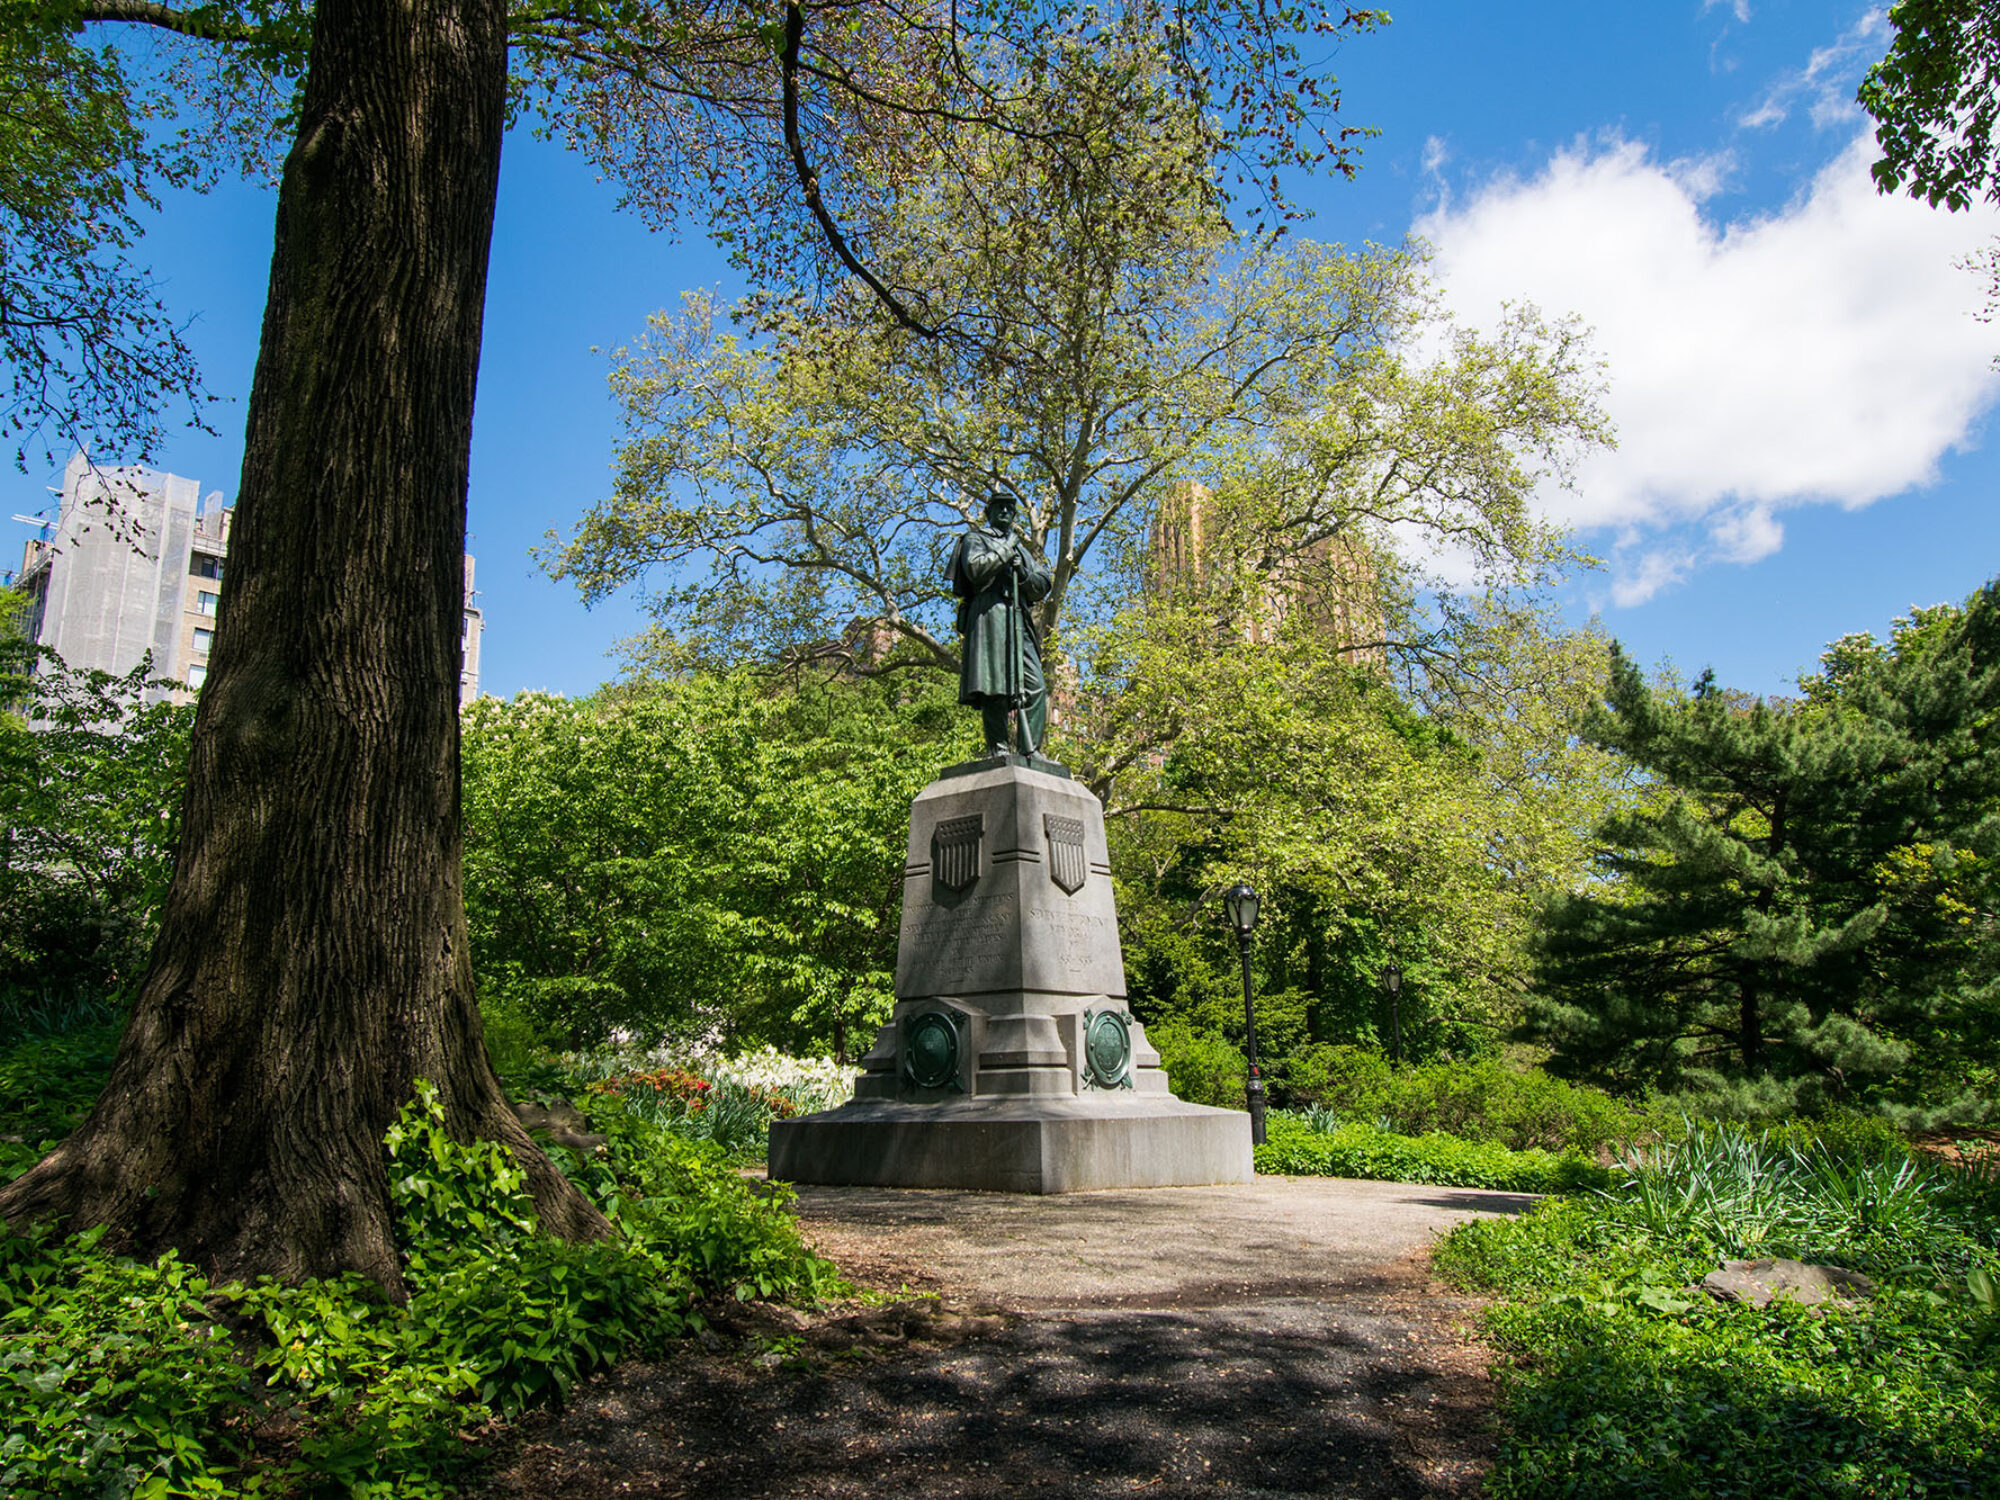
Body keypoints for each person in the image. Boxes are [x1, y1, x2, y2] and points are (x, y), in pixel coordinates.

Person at [948, 490, 1052, 755]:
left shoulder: (1022, 550)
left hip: (1018, 618)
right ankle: (998, 746)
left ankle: (1031, 749)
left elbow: (1042, 584)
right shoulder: (976, 538)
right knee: (995, 684)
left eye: (1009, 509)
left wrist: (1023, 571)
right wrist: (1006, 551)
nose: (1005, 512)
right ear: (989, 513)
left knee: (1036, 684)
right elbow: (975, 569)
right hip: (990, 615)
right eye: (999, 508)